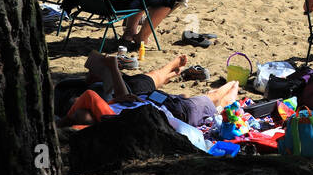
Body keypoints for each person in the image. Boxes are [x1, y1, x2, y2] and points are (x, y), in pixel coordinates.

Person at [60, 50, 241, 130]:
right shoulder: (110, 118)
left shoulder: (111, 111)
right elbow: (90, 97)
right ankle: (234, 84)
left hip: (153, 99)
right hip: (175, 110)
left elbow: (112, 96)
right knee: (219, 97)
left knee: (202, 98)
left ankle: (174, 71)